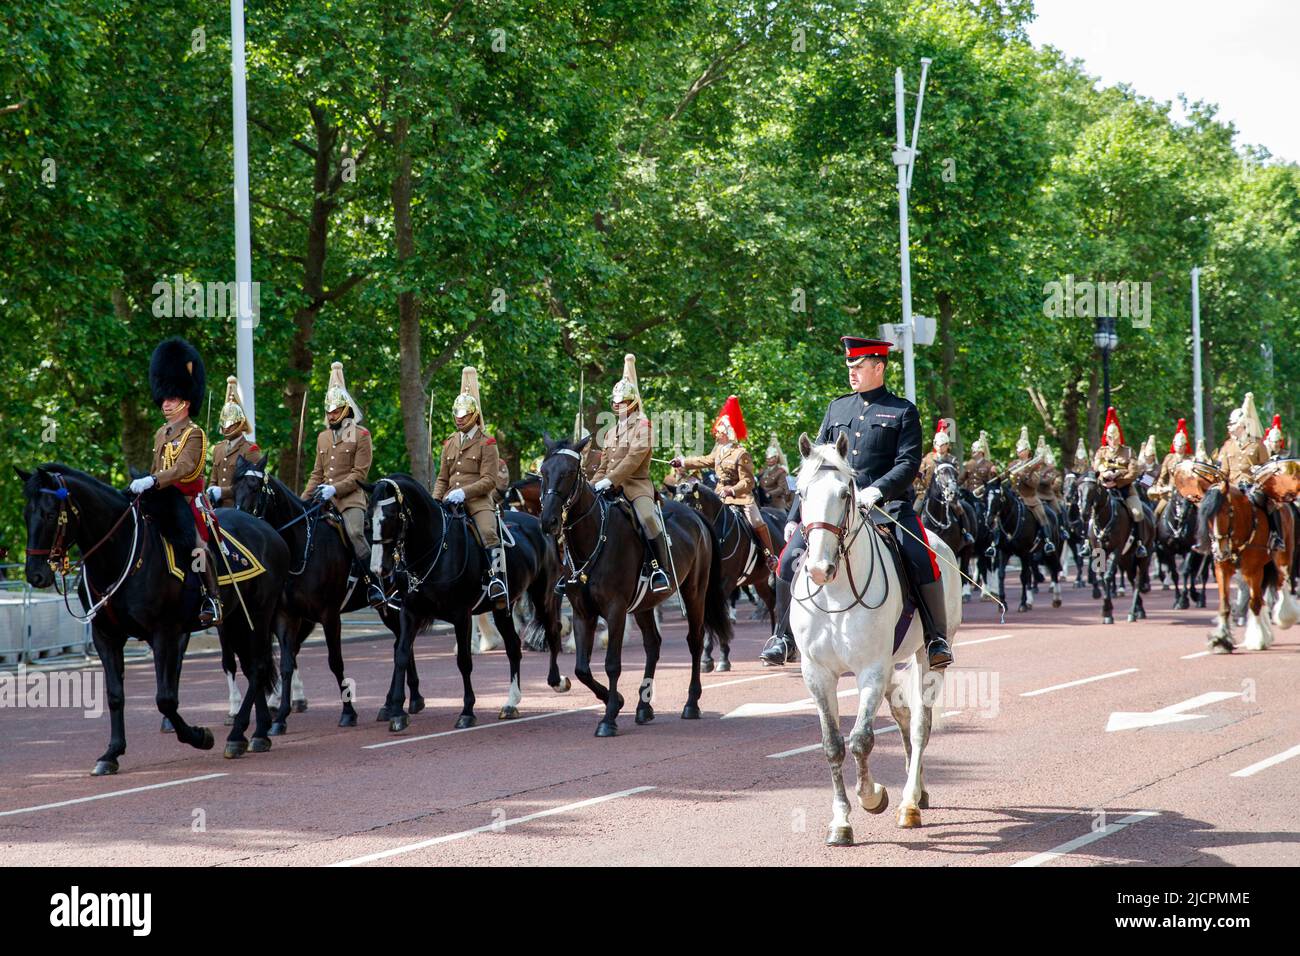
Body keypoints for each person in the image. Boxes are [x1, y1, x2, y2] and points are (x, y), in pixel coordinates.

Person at [760, 336, 952, 671]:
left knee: (921, 557)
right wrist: (794, 516)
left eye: (859, 366)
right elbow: (812, 466)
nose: (852, 372)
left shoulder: (902, 410)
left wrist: (878, 490)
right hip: (834, 511)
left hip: (886, 508)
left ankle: (936, 638)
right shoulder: (838, 408)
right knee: (788, 559)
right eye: (850, 366)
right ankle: (783, 637)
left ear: (879, 367)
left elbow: (907, 464)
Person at [129, 337, 222, 627]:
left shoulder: (194, 434)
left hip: (186, 501)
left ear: (185, 401)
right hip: (161, 499)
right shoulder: (161, 433)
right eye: (164, 399)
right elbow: (157, 466)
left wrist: (153, 480)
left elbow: (184, 469)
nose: (165, 404)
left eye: (171, 400)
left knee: (197, 546)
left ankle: (212, 597)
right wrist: (146, 482)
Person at [302, 361, 386, 607]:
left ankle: (374, 584)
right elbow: (316, 474)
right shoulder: (323, 437)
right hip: (323, 499)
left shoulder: (361, 435)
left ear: (346, 410)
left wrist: (335, 489)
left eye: (335, 411)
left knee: (355, 532)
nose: (331, 416)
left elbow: (359, 474)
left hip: (350, 499)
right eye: (328, 412)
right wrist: (303, 499)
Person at [592, 354, 672, 593]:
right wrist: (592, 485)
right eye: (615, 402)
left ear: (633, 402)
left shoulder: (643, 426)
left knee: (647, 518)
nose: (617, 406)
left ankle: (660, 568)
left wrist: (609, 480)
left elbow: (632, 460)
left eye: (622, 402)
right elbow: (604, 465)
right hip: (609, 487)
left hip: (636, 486)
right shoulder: (610, 432)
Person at [672, 395, 779, 571]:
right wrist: (682, 462)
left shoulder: (741, 454)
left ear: (729, 433)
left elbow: (748, 482)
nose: (717, 434)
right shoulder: (720, 451)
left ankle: (769, 555)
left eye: (720, 432)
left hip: (740, 497)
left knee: (757, 520)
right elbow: (704, 460)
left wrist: (732, 490)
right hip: (719, 495)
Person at [431, 366, 508, 608]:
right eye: (457, 414)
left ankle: (498, 580)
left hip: (477, 501)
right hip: (448, 500)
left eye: (464, 414)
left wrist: (463, 492)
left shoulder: (487, 443)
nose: (459, 418)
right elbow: (443, 478)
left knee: (488, 532)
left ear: (474, 415)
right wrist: (435, 500)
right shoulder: (449, 443)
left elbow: (489, 480)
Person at [1216, 392, 1280, 552]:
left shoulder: (1257, 445)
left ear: (1242, 425)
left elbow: (1267, 468)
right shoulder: (1227, 446)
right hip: (1232, 487)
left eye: (1233, 424)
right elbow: (1223, 471)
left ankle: (1276, 535)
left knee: (1270, 504)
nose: (1229, 427)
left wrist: (1260, 470)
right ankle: (1214, 542)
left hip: (1252, 486)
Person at [1092, 406, 1148, 559]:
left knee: (1138, 513)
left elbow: (1133, 472)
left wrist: (1118, 479)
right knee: (1090, 514)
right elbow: (1096, 467)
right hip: (1103, 489)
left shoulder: (1128, 451)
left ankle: (1139, 544)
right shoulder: (1101, 452)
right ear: (1107, 437)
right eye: (1110, 437)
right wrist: (1105, 473)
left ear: (1119, 436)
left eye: (1115, 436)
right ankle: (1089, 547)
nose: (1113, 440)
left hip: (1125, 489)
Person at [207, 375, 260, 505]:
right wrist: (210, 492)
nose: (226, 428)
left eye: (230, 424)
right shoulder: (218, 448)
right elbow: (214, 480)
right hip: (217, 507)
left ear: (240, 424)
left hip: (239, 508)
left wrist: (223, 492)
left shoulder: (250, 449)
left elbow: (251, 485)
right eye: (224, 424)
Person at [1007, 425, 1055, 555]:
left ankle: (1048, 541)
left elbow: (1034, 483)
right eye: (1018, 449)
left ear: (1028, 450)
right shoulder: (1013, 464)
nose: (1019, 452)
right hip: (1014, 497)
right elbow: (1007, 478)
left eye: (1021, 449)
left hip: (1030, 498)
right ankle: (995, 542)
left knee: (1042, 515)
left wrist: (1023, 475)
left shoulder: (1035, 464)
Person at [1152, 418, 1191, 522]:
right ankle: (1154, 537)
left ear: (1185, 446)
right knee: (1156, 512)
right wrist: (1160, 485)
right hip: (1170, 493)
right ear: (1174, 444)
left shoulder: (1190, 459)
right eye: (1177, 445)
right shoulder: (1169, 458)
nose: (1179, 447)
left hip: (1187, 494)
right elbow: (1163, 476)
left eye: (1182, 445)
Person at [759, 436, 792, 513]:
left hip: (776, 503)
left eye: (771, 458)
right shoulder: (763, 471)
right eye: (767, 458)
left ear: (776, 458)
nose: (768, 460)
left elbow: (781, 488)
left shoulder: (781, 471)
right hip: (762, 503)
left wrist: (769, 494)